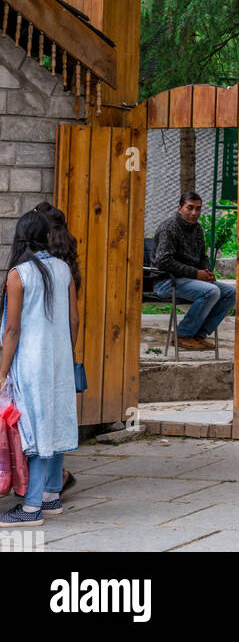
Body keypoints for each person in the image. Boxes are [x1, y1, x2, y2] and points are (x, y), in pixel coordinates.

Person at [0, 211, 78, 526]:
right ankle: (50, 497)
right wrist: (65, 354)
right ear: (46, 237)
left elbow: (12, 331)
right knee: (54, 426)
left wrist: (2, 372)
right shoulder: (64, 270)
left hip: (30, 364)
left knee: (33, 432)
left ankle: (30, 508)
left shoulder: (18, 274)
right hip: (59, 362)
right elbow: (73, 319)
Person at [33, 202, 81, 496]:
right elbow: (73, 318)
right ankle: (54, 480)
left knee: (40, 416)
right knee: (57, 416)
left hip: (41, 347)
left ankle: (44, 487)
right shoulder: (66, 261)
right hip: (61, 344)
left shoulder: (35, 265)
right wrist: (69, 350)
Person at [151, 192, 235, 351]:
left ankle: (198, 335)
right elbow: (164, 261)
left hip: (190, 280)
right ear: (180, 208)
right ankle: (183, 335)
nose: (194, 213)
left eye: (198, 209)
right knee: (211, 291)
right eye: (190, 208)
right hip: (166, 281)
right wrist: (196, 274)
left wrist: (206, 271)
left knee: (231, 293)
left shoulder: (196, 229)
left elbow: (202, 256)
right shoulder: (168, 228)